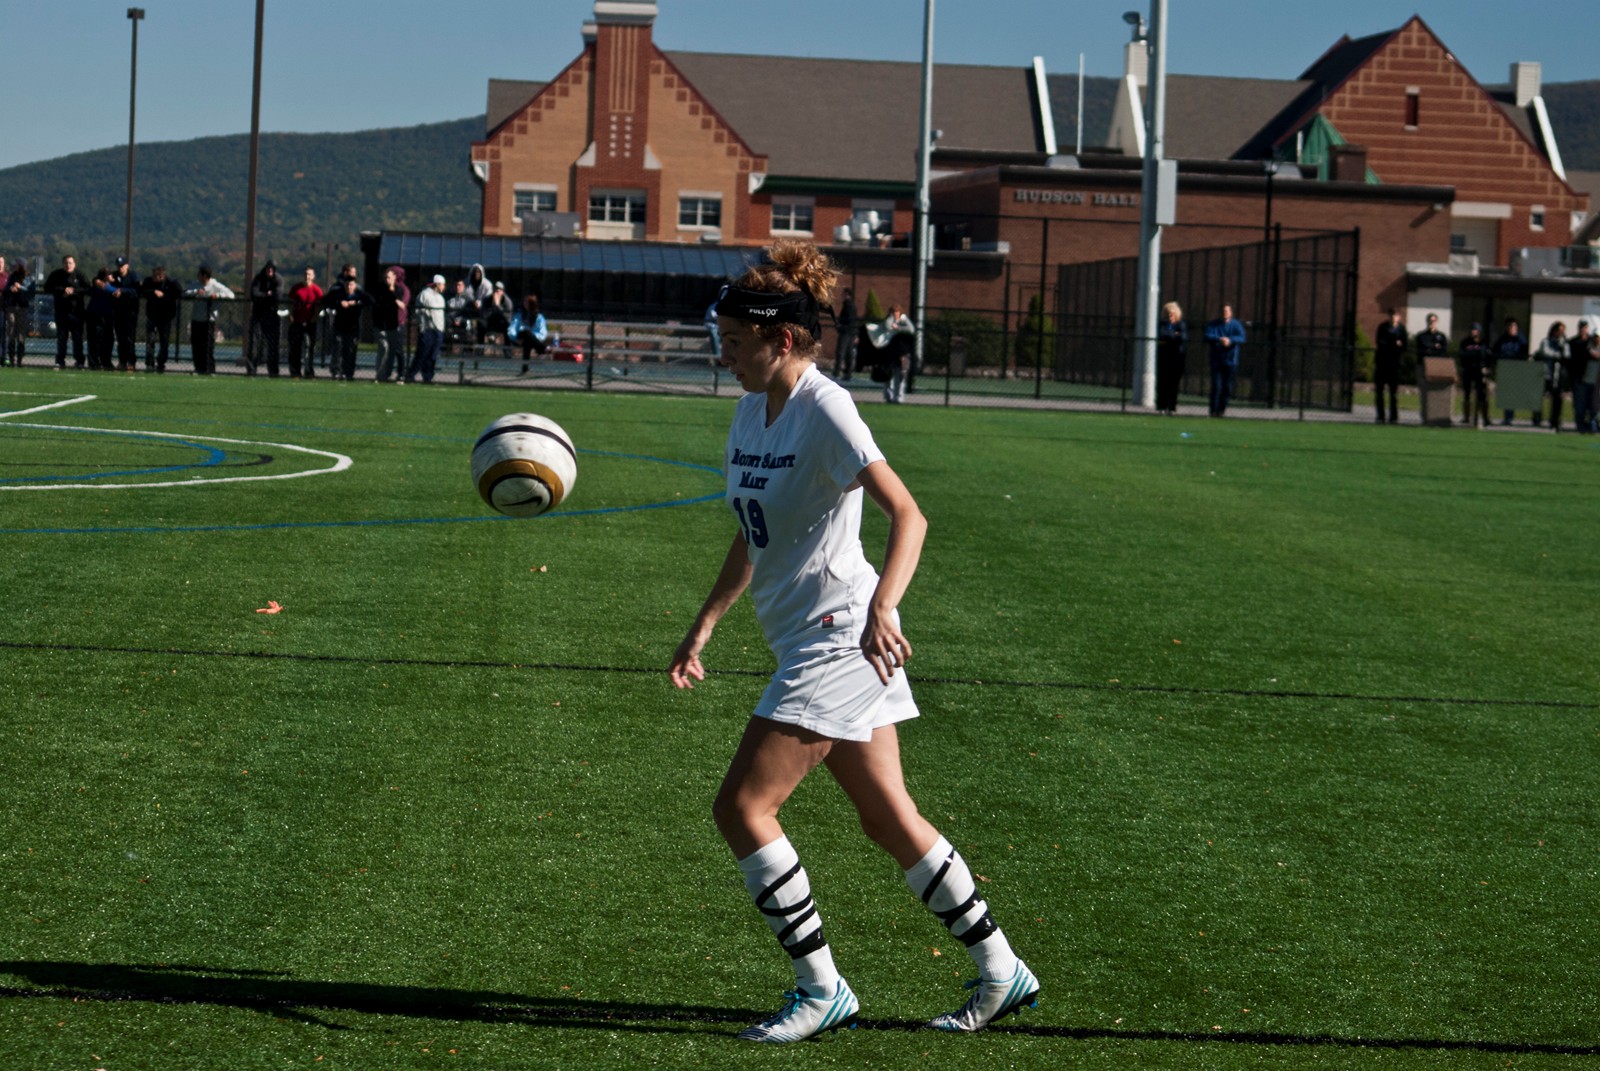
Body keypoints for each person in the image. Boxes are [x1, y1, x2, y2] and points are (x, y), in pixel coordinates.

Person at [668, 239, 1039, 1043]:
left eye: (735, 342)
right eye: (720, 341)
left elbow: (910, 513)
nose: (722, 355)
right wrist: (705, 623)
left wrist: (885, 607)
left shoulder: (826, 408)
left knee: (741, 807)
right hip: (812, 636)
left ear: (785, 340)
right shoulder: (747, 409)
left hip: (838, 638)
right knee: (889, 817)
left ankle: (821, 986)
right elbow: (752, 532)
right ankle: (1004, 970)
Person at [186, 265, 235, 375]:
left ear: (204, 276)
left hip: (209, 321)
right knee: (196, 346)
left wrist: (217, 295)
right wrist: (196, 292)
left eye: (199, 274)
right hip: (196, 319)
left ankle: (209, 369)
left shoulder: (215, 285)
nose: (197, 276)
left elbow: (231, 295)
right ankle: (198, 368)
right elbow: (185, 292)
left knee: (208, 346)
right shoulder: (195, 285)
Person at [45, 255, 89, 368]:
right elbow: (47, 287)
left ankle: (79, 361)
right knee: (61, 337)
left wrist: (74, 291)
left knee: (77, 338)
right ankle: (60, 360)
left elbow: (88, 289)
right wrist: (62, 290)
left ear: (74, 264)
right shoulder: (56, 275)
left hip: (77, 312)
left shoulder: (80, 275)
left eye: (70, 263)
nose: (68, 265)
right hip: (61, 312)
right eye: (66, 263)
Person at [1204, 303, 1246, 416]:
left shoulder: (1236, 325)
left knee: (1227, 388)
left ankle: (1221, 410)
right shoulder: (1214, 324)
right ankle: (1213, 411)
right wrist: (1219, 339)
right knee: (1216, 386)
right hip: (1217, 361)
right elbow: (1207, 335)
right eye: (1223, 311)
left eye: (1227, 311)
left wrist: (1230, 340)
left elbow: (1242, 337)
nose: (1225, 313)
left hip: (1230, 361)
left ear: (1231, 313)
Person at [870, 303, 915, 403]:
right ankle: (888, 396)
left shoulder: (903, 321)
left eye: (897, 312)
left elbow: (911, 329)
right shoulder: (888, 320)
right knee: (888, 374)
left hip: (902, 353)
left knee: (901, 375)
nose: (895, 314)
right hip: (889, 352)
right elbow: (887, 326)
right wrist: (891, 318)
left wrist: (899, 327)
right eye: (893, 312)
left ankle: (899, 397)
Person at [328, 275, 371, 380]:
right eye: (347, 284)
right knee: (338, 349)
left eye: (351, 284)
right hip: (339, 327)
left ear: (355, 285)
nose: (349, 287)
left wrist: (356, 303)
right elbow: (327, 301)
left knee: (351, 351)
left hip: (353, 328)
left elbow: (371, 301)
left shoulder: (359, 295)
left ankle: (349, 373)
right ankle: (336, 372)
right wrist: (339, 302)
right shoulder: (339, 294)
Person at [372, 265, 410, 382]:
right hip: (385, 324)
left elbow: (402, 304)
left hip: (397, 323)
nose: (386, 279)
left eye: (389, 277)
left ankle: (401, 373)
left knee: (398, 350)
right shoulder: (382, 289)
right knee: (386, 350)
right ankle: (384, 374)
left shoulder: (402, 290)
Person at [140, 265, 179, 372]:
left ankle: (161, 363)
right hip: (152, 316)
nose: (153, 278)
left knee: (164, 341)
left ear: (161, 276)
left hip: (166, 317)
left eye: (155, 276)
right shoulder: (148, 282)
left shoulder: (171, 283)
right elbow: (142, 291)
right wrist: (153, 292)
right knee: (150, 340)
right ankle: (149, 363)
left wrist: (165, 295)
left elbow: (178, 293)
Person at [286, 267, 324, 379]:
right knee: (295, 348)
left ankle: (309, 372)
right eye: (306, 274)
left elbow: (320, 304)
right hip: (297, 322)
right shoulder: (296, 288)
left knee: (309, 348)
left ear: (313, 276)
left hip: (309, 323)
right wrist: (290, 315)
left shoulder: (317, 290)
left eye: (309, 274)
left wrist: (314, 317)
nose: (307, 277)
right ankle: (295, 372)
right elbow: (289, 302)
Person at [248, 260, 283, 376]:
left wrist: (264, 296)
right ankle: (252, 370)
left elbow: (278, 296)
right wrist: (266, 295)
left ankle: (273, 371)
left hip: (272, 316)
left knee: (273, 345)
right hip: (258, 315)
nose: (270, 271)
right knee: (254, 343)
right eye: (268, 268)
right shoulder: (259, 278)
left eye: (272, 269)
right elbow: (254, 294)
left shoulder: (278, 279)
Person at [1372, 308, 1407, 424]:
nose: (1393, 317)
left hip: (1395, 365)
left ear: (1399, 317)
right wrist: (1393, 343)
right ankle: (1380, 416)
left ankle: (1393, 417)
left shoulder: (1402, 330)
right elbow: (1380, 342)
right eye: (1391, 315)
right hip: (1382, 364)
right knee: (1379, 392)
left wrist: (1399, 345)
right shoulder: (1382, 328)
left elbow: (1404, 346)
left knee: (1394, 393)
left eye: (1396, 315)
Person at [1493, 318, 1530, 425]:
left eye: (1513, 326)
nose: (1511, 329)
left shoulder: (1521, 339)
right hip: (1504, 369)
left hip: (1516, 369)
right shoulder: (1502, 339)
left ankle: (1515, 417)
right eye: (1509, 326)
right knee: (1506, 394)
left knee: (1514, 394)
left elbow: (1524, 353)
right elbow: (1496, 351)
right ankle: (1508, 417)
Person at [410, 274, 446, 384]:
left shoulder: (440, 298)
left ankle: (428, 377)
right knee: (421, 355)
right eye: (443, 284)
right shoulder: (425, 294)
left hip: (438, 331)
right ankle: (410, 375)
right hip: (427, 330)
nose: (444, 287)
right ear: (437, 284)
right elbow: (418, 311)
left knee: (432, 356)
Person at [1155, 300, 1187, 414]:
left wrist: (1172, 336)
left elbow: (1182, 337)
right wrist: (1174, 335)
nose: (1170, 316)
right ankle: (1161, 406)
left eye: (1172, 314)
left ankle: (1172, 407)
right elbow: (1163, 334)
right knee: (1162, 383)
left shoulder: (1181, 325)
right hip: (1164, 358)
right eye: (1168, 314)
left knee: (1174, 384)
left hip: (1176, 358)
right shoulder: (1162, 325)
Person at [1457, 322, 1491, 428]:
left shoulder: (1484, 343)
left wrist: (1486, 368)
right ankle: (1466, 416)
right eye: (1472, 329)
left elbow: (1488, 356)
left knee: (1482, 395)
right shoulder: (1465, 343)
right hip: (1468, 370)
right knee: (1467, 394)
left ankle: (1484, 417)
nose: (1473, 332)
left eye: (1475, 330)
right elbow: (1462, 355)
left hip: (1480, 372)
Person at [1536, 321, 1568, 430]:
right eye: (1559, 331)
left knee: (1557, 398)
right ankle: (1537, 418)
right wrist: (1557, 355)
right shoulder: (1546, 341)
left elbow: (1567, 355)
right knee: (1539, 396)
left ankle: (1555, 420)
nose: (1560, 333)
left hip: (1558, 376)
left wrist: (1561, 349)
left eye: (1562, 331)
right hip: (1546, 374)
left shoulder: (1564, 343)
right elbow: (1544, 352)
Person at [111, 256, 141, 371]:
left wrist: (122, 291)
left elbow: (137, 291)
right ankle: (122, 361)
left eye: (122, 266)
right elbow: (108, 286)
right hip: (118, 311)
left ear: (127, 265)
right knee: (120, 338)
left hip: (130, 311)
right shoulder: (114, 276)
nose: (120, 268)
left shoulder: (133, 276)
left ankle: (131, 362)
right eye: (118, 266)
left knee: (129, 338)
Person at [85, 268, 118, 371]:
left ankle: (106, 362)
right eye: (110, 275)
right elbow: (104, 286)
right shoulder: (98, 285)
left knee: (108, 340)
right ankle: (94, 363)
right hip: (95, 316)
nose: (112, 277)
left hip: (107, 317)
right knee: (94, 340)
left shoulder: (110, 285)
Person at [1567, 320, 1596, 434]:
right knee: (1579, 404)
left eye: (1585, 328)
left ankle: (1591, 426)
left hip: (1591, 378)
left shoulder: (1591, 341)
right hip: (1579, 377)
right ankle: (1580, 425)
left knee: (1592, 405)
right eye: (1581, 328)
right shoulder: (1573, 342)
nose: (1583, 330)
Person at [509, 293, 552, 372]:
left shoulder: (539, 317)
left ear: (532, 303)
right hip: (518, 337)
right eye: (524, 301)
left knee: (528, 340)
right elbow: (512, 328)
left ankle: (525, 367)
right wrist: (515, 338)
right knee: (526, 333)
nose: (524, 303)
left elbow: (542, 334)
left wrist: (532, 337)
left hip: (530, 340)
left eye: (527, 301)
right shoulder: (519, 314)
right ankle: (542, 349)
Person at [4, 258, 35, 366]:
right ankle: (11, 359)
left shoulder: (29, 277)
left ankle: (20, 359)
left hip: (22, 307)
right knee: (11, 333)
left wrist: (20, 287)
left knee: (21, 335)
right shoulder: (12, 277)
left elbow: (30, 292)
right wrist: (11, 288)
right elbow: (6, 289)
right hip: (12, 306)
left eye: (16, 265)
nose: (14, 267)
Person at [833, 287, 857, 379]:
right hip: (850, 332)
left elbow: (850, 320)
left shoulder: (849, 305)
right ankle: (847, 372)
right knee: (848, 352)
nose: (842, 295)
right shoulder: (849, 305)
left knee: (841, 351)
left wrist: (841, 327)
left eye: (843, 293)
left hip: (847, 332)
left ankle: (838, 371)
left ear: (847, 294)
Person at [479, 280, 513, 346]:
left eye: (498, 291)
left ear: (502, 292)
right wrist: (493, 306)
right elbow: (483, 315)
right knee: (481, 323)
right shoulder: (487, 300)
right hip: (490, 323)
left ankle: (508, 352)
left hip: (502, 323)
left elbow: (508, 318)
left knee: (509, 327)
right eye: (494, 290)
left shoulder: (508, 302)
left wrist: (498, 306)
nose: (496, 293)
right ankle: (480, 350)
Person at [445, 279, 474, 353]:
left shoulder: (468, 299)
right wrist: (454, 319)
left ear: (464, 286)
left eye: (460, 285)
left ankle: (468, 349)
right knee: (446, 320)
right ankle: (446, 348)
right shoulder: (450, 298)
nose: (458, 287)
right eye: (456, 285)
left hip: (463, 320)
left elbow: (469, 312)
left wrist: (460, 319)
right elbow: (448, 312)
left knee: (468, 322)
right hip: (452, 320)